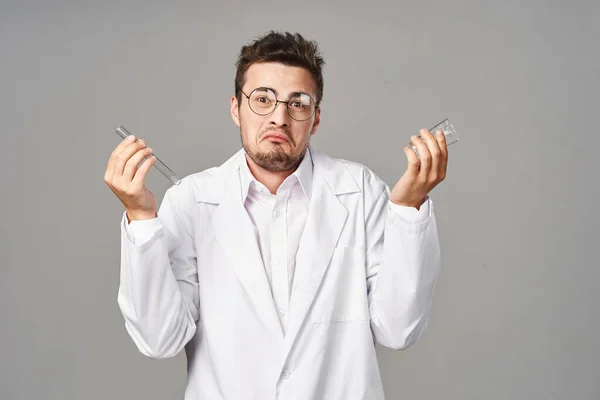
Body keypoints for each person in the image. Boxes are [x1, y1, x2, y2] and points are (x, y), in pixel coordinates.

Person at [104, 31, 448, 400]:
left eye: (297, 103)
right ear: (236, 108)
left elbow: (399, 330)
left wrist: (408, 210)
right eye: (262, 99)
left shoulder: (360, 191)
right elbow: (159, 339)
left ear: (315, 118)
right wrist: (140, 217)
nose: (279, 118)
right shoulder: (192, 201)